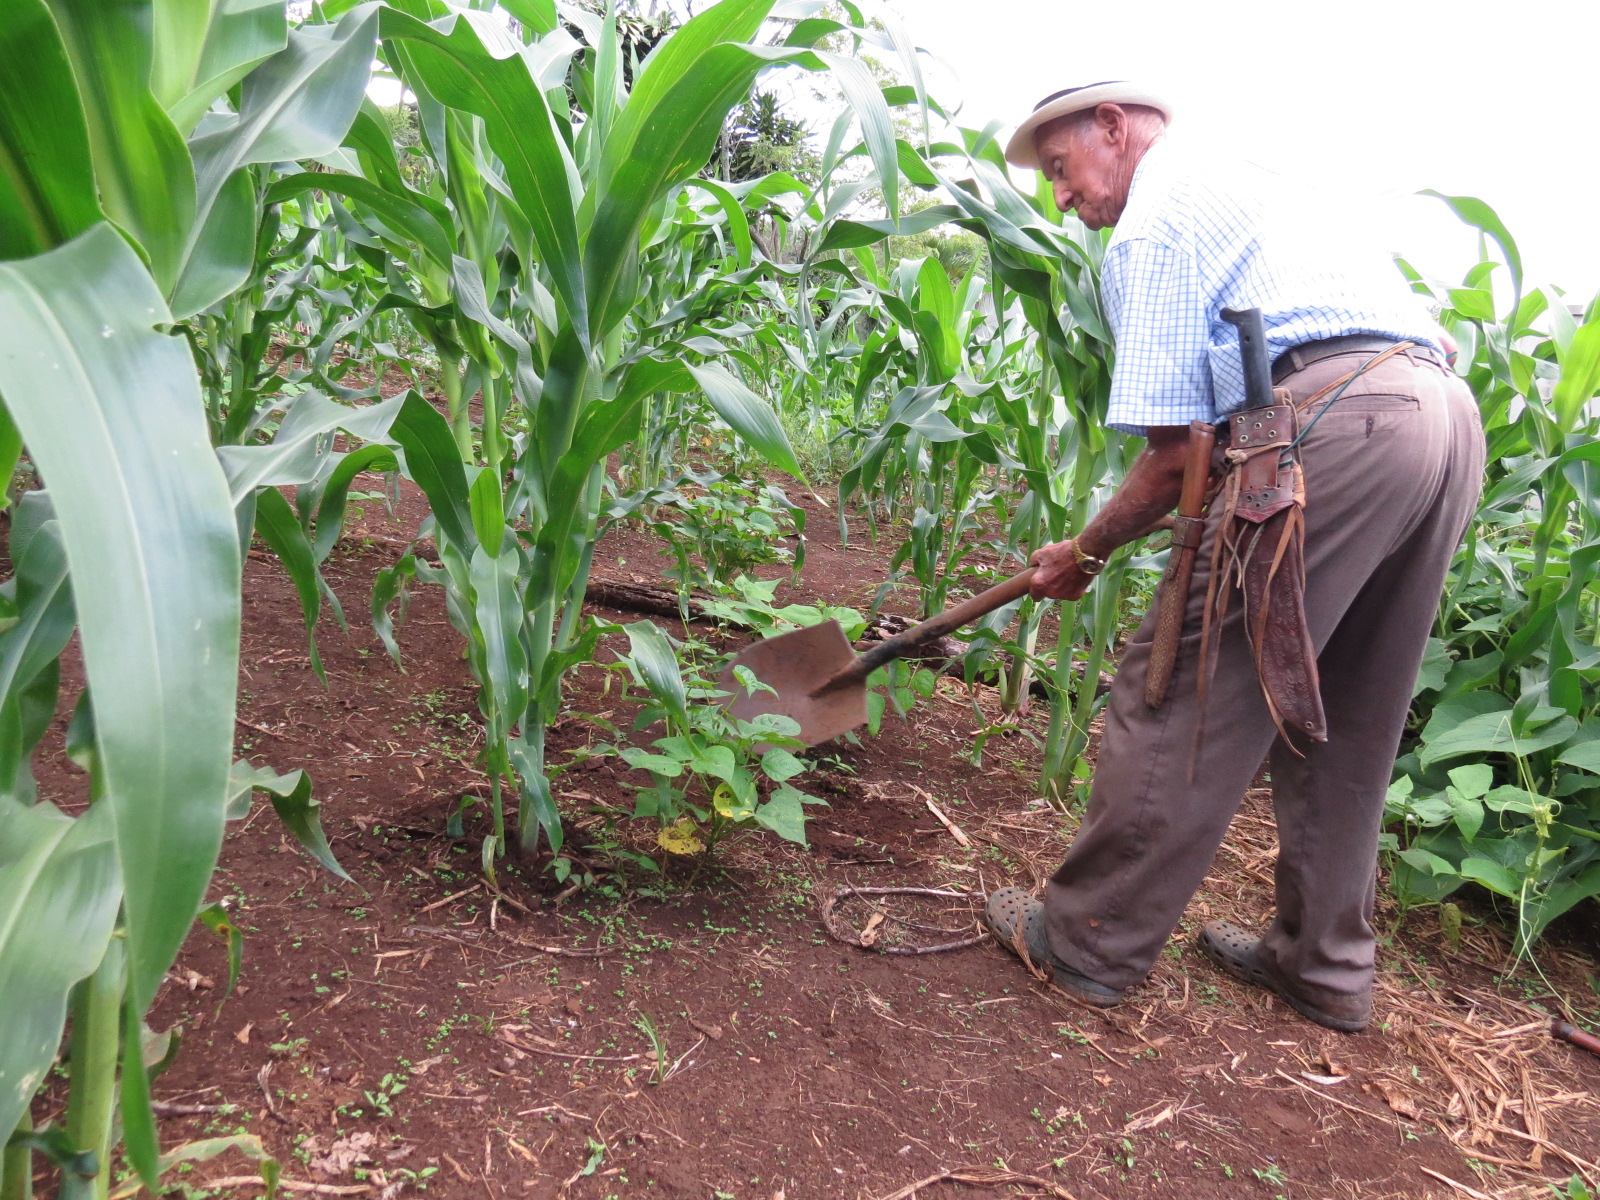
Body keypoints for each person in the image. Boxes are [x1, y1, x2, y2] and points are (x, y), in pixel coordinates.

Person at [980, 81, 1486, 1032]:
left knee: (1185, 675)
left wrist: (1084, 551)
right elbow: (1218, 434)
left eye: (1059, 169)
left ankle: (1087, 939)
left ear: (1114, 129)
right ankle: (1323, 966)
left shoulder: (1155, 221)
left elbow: (1176, 453)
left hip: (1334, 419)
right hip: (1441, 420)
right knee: (1341, 710)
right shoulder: (1249, 185)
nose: (1061, 199)